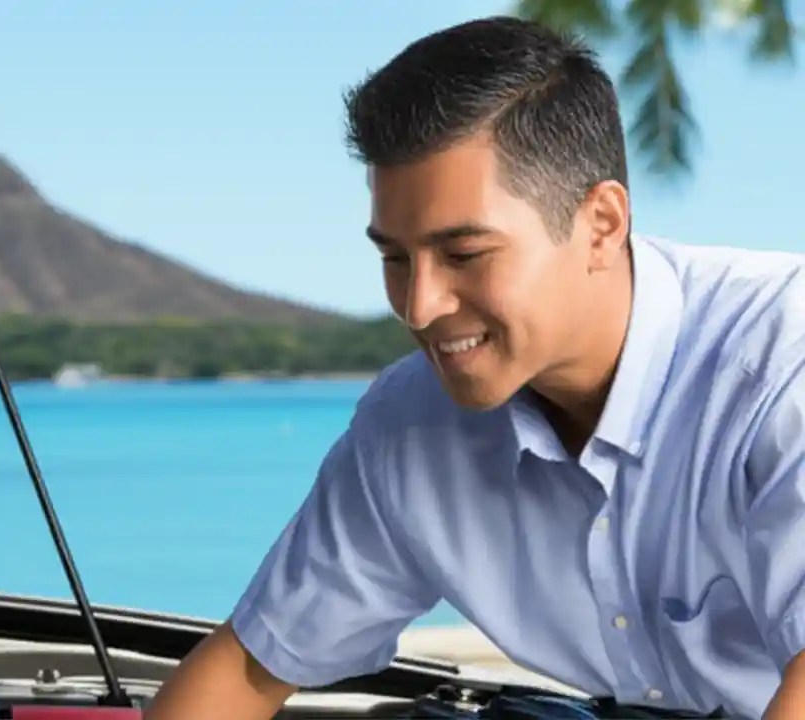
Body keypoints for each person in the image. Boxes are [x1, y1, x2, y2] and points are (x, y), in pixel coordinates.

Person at [145, 15, 805, 720]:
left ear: (602, 225)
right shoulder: (408, 425)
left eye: (463, 255)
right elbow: (249, 670)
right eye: (394, 258)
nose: (420, 307)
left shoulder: (780, 364)